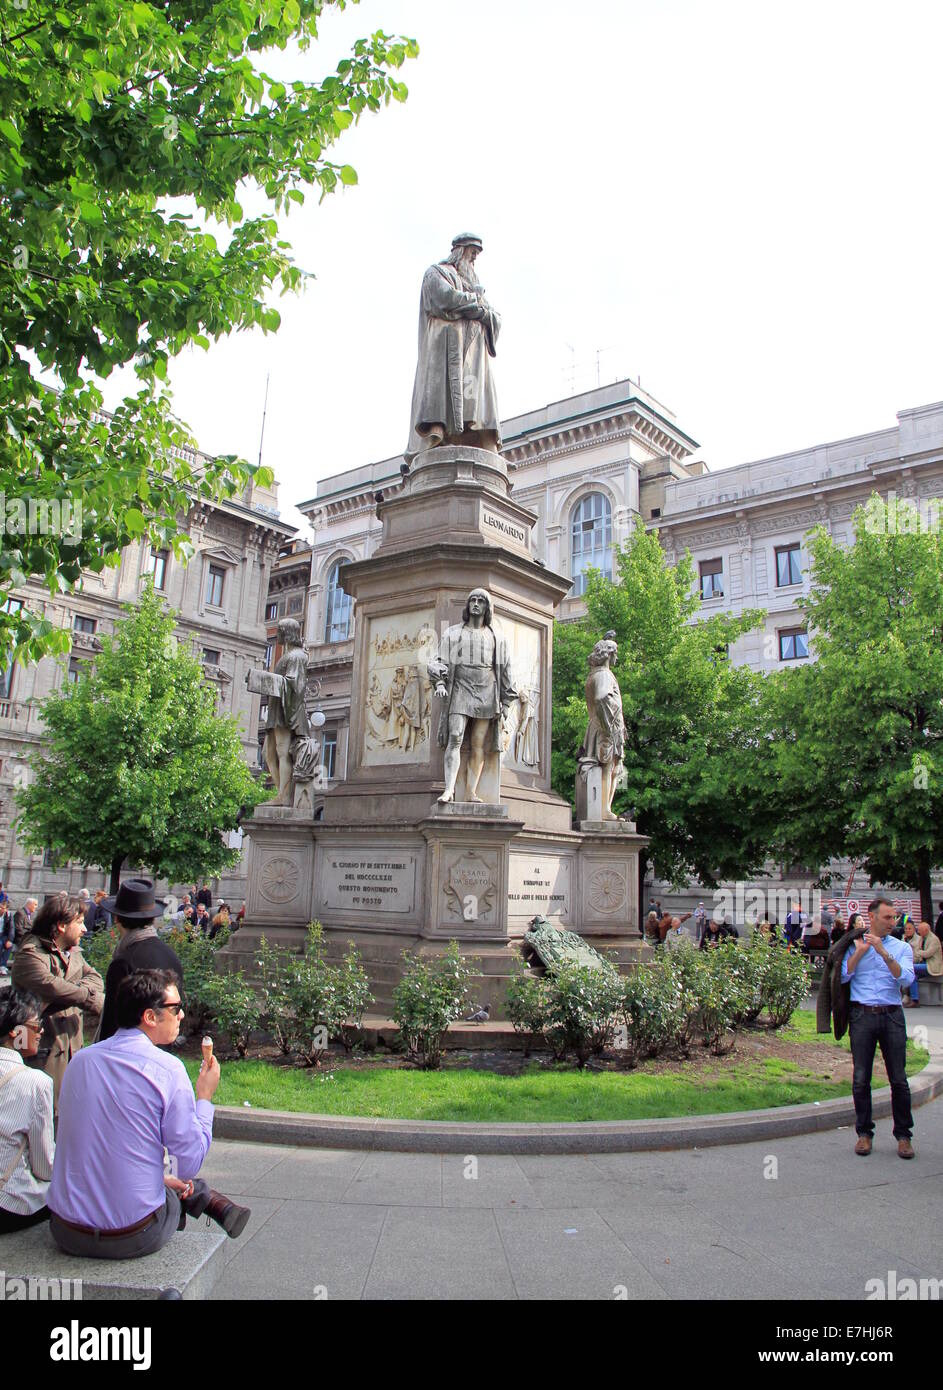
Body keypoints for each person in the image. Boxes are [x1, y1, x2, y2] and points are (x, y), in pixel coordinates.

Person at [48, 969, 250, 1258]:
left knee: (164, 1177)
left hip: (65, 1230)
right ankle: (209, 1201)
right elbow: (188, 1161)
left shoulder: (81, 1061)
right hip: (132, 1234)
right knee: (178, 1185)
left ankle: (210, 1201)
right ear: (150, 1017)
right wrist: (204, 1098)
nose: (181, 1015)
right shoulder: (167, 1070)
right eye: (175, 1008)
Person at [406, 233, 501, 460]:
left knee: (473, 400)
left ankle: (475, 434)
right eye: (471, 254)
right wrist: (475, 305)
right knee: (444, 396)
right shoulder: (436, 274)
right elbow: (444, 300)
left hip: (473, 359)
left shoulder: (475, 287)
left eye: (475, 257)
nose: (473, 260)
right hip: (445, 351)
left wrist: (478, 309)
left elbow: (494, 316)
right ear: (459, 250)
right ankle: (439, 431)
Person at [11, 892, 104, 1106]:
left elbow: (95, 978)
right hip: (39, 1054)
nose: (85, 928)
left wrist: (69, 993)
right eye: (79, 922)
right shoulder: (30, 953)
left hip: (71, 1052)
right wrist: (91, 1000)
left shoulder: (73, 952)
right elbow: (51, 985)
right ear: (61, 925)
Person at [842, 896, 915, 1158]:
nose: (892, 922)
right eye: (887, 917)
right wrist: (861, 952)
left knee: (899, 1079)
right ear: (871, 917)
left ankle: (904, 1136)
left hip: (892, 1015)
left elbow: (905, 978)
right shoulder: (853, 944)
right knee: (861, 1078)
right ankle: (864, 1134)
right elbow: (842, 975)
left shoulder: (901, 947)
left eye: (894, 917)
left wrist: (884, 953)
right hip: (862, 1015)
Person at [428, 588, 516, 805]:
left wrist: (506, 702)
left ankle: (470, 792)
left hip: (487, 691)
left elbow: (505, 670)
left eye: (481, 601)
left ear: (487, 607)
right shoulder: (453, 634)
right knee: (455, 736)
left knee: (478, 743)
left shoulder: (497, 638)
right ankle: (449, 790)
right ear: (467, 606)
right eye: (472, 600)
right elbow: (438, 660)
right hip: (460, 689)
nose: (476, 604)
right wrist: (439, 682)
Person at [97, 878, 183, 1043]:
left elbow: (111, 1022)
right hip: (163, 1049)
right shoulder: (170, 955)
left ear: (116, 918)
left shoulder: (123, 962)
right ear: (151, 918)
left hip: (127, 1055)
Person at [0, 986, 55, 1234]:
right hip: (9, 1207)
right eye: (36, 1025)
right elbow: (45, 1168)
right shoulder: (36, 1082)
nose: (42, 1031)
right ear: (15, 1031)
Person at [905, 920, 943, 1007]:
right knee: (912, 975)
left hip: (932, 966)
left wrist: (918, 952)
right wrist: (919, 952)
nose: (918, 932)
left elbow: (928, 953)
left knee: (911, 968)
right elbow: (919, 952)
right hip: (923, 964)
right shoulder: (922, 939)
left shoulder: (934, 939)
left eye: (920, 930)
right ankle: (915, 1000)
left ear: (926, 930)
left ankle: (908, 996)